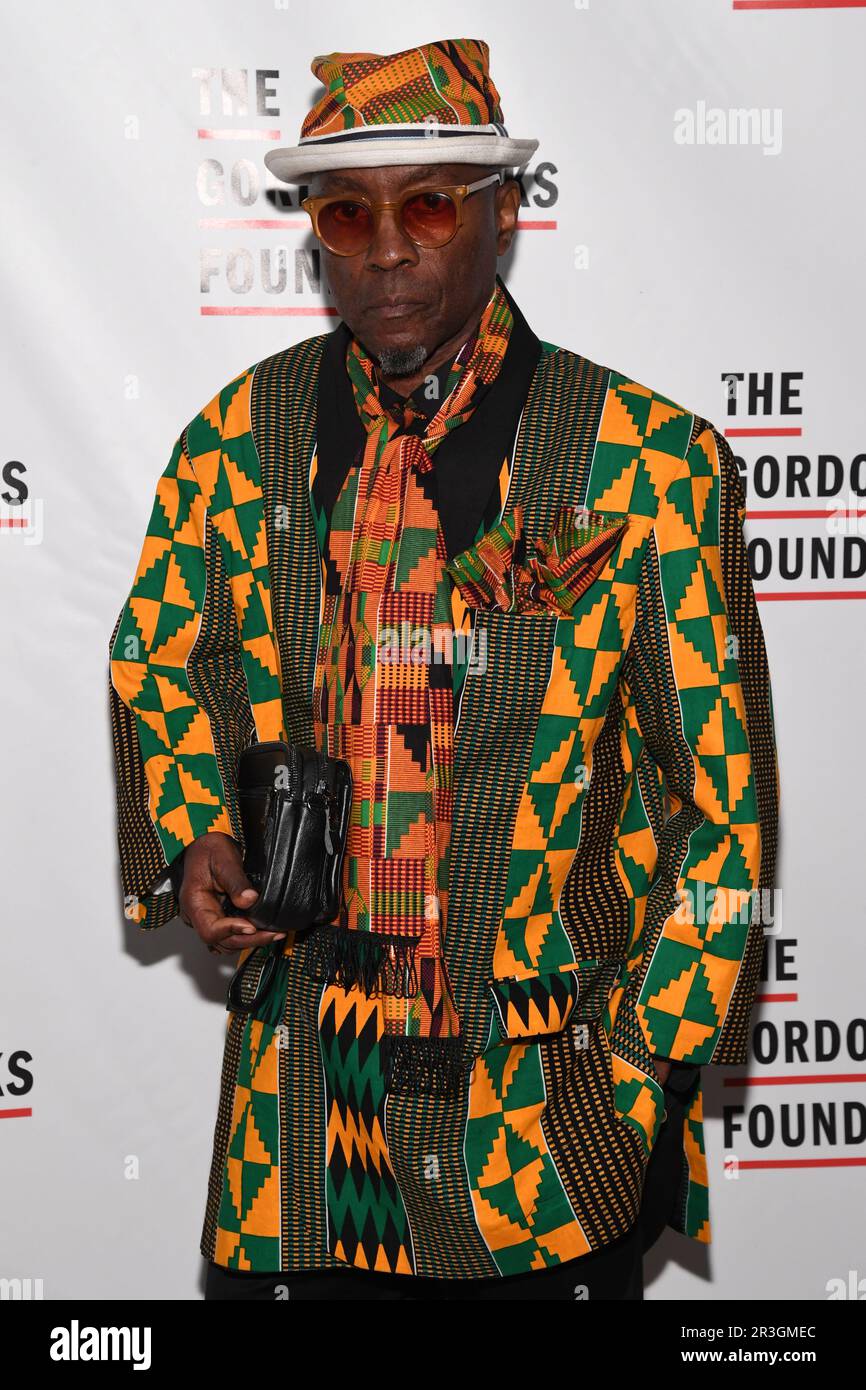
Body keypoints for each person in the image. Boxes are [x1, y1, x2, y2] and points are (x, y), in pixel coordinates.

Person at [108, 36, 779, 1301]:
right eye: (343, 212)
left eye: (425, 203)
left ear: (503, 213)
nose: (387, 248)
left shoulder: (642, 466)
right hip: (297, 1128)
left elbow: (723, 818)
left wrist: (633, 1069)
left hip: (538, 1137)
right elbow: (160, 662)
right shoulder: (232, 450)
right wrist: (197, 832)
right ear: (313, 232)